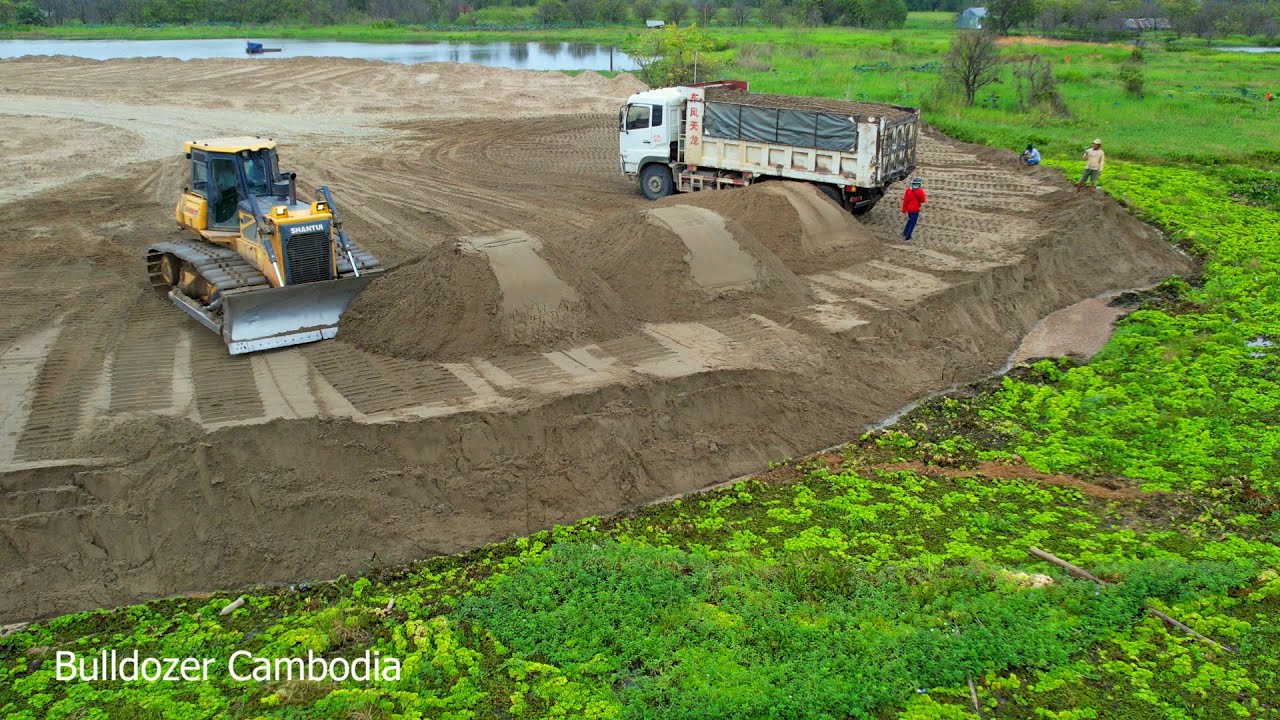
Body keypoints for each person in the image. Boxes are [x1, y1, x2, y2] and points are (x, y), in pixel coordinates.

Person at [901, 177, 926, 242]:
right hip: (915, 210)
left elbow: (905, 201)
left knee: (910, 221)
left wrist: (904, 209)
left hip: (909, 209)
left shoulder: (908, 190)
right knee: (912, 223)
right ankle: (908, 236)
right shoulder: (920, 191)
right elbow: (923, 200)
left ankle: (904, 232)